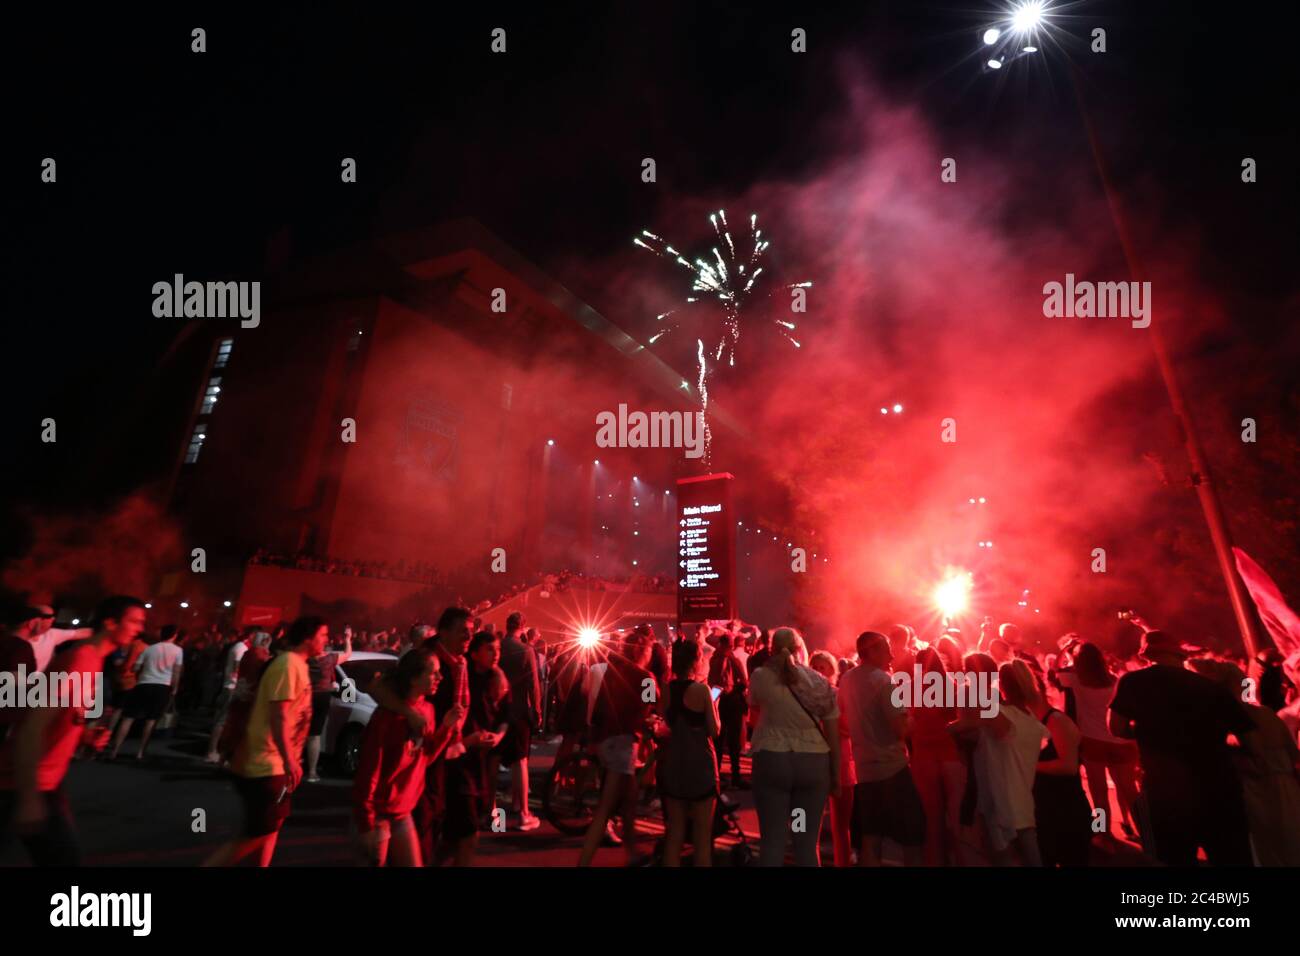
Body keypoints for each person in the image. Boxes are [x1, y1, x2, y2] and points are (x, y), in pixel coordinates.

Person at [0, 595, 147, 865]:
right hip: (25, 781)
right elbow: (32, 727)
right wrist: (30, 796)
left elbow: (65, 716)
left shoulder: (94, 660)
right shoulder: (79, 660)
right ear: (111, 623)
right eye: (135, 621)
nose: (140, 628)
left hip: (44, 780)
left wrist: (85, 735)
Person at [1108, 630, 1254, 866]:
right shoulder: (1211, 688)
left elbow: (1116, 727)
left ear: (1147, 656)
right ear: (1179, 654)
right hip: (1218, 787)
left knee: (1172, 860)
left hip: (1164, 790)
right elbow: (1246, 734)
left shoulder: (1133, 682)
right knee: (1231, 858)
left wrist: (1148, 732)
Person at [203, 616, 324, 867]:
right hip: (266, 763)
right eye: (323, 635)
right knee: (258, 834)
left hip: (274, 763)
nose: (326, 640)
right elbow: (279, 714)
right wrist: (290, 760)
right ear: (309, 637)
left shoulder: (297, 664)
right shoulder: (288, 664)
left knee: (270, 829)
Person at [352, 647, 461, 866]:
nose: (440, 677)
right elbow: (369, 774)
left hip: (403, 813)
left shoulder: (428, 710)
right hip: (378, 815)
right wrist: (366, 824)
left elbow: (425, 759)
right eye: (433, 673)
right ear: (413, 679)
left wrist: (446, 729)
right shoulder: (386, 719)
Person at [1186, 657, 1300, 866]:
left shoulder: (1221, 723)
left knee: (1267, 849)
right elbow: (1293, 754)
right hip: (1286, 787)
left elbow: (1254, 755)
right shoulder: (1266, 713)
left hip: (1254, 792)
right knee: (1292, 843)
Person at [748, 627, 839, 866]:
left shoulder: (759, 676)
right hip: (811, 766)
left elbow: (753, 713)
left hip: (773, 763)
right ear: (800, 650)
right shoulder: (817, 680)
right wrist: (836, 774)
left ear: (771, 649)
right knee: (805, 841)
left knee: (773, 841)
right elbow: (832, 732)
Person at [837, 631, 925, 866]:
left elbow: (841, 720)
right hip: (893, 769)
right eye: (887, 649)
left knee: (871, 839)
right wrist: (914, 716)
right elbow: (900, 728)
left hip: (864, 771)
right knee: (913, 838)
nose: (893, 655)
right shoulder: (885, 681)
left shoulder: (846, 680)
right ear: (872, 651)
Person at [952, 658, 1047, 866]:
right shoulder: (1030, 717)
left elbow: (973, 729)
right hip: (1021, 792)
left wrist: (947, 729)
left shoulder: (999, 714)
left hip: (999, 794)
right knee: (1030, 851)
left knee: (1004, 854)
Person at [578, 631, 659, 866]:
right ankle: (583, 863)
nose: (651, 653)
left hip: (607, 740)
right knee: (605, 809)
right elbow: (650, 706)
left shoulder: (610, 671)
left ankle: (632, 853)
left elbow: (600, 705)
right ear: (641, 650)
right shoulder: (645, 677)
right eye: (649, 649)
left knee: (630, 801)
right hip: (623, 743)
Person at [1050, 641, 1139, 839]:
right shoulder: (1115, 681)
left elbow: (1055, 671)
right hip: (1120, 742)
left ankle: (1102, 834)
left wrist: (1065, 649)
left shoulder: (1074, 680)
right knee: (1130, 792)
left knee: (1098, 795)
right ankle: (1148, 836)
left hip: (1092, 742)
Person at [659, 638, 719, 866]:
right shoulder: (702, 690)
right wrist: (715, 706)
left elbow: (663, 722)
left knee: (674, 835)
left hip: (674, 765)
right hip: (700, 767)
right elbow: (713, 730)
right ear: (696, 661)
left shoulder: (666, 688)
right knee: (702, 840)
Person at [1029, 670, 1093, 867]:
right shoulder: (1032, 722)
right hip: (1044, 811)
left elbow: (1068, 767)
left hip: (1067, 812)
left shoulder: (1056, 720)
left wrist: (1029, 766)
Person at [908, 647, 965, 866]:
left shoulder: (912, 687)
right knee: (957, 818)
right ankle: (961, 860)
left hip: (923, 754)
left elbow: (907, 722)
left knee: (931, 820)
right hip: (950, 753)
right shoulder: (952, 685)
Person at [107, 625, 183, 760]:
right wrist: (175, 687)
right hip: (162, 686)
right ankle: (141, 752)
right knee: (151, 720)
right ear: (175, 635)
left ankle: (115, 749)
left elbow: (136, 667)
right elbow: (176, 671)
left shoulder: (149, 649)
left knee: (128, 717)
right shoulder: (178, 651)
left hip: (143, 684)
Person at [810, 650, 856, 866]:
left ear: (832, 671)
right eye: (815, 667)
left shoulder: (840, 694)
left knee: (841, 825)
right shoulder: (803, 697)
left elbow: (850, 728)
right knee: (806, 823)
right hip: (812, 763)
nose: (818, 671)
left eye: (823, 667)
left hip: (842, 761)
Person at [497, 612, 542, 831]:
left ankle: (496, 809)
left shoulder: (498, 647)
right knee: (520, 760)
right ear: (523, 627)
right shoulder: (526, 650)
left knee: (495, 760)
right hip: (519, 709)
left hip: (498, 708)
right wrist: (538, 709)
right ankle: (523, 811)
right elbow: (534, 684)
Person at [305, 627, 353, 783]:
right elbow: (347, 654)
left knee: (299, 730)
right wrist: (347, 638)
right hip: (323, 697)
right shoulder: (329, 659)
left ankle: (293, 764)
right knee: (314, 735)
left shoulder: (304, 658)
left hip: (305, 696)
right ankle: (312, 772)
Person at [707, 632, 749, 789]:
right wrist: (733, 691)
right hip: (732, 702)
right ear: (730, 645)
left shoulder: (714, 659)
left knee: (719, 739)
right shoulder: (732, 659)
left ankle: (717, 774)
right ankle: (735, 776)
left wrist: (714, 699)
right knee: (734, 742)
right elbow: (744, 681)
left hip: (719, 700)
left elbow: (713, 683)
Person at [205, 630, 253, 763]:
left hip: (229, 686)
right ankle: (212, 751)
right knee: (222, 720)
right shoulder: (241, 648)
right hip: (231, 687)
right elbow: (237, 667)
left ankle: (216, 751)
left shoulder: (238, 646)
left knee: (223, 720)